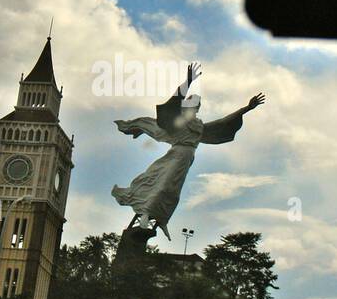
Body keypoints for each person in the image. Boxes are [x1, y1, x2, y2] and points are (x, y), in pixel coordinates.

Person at [111, 62, 265, 239]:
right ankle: (145, 216)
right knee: (161, 187)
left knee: (171, 193)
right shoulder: (179, 123)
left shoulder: (199, 126)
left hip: (186, 160)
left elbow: (223, 122)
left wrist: (246, 108)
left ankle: (159, 219)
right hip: (176, 156)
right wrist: (188, 81)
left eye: (197, 106)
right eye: (191, 106)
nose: (195, 108)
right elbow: (172, 103)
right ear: (185, 108)